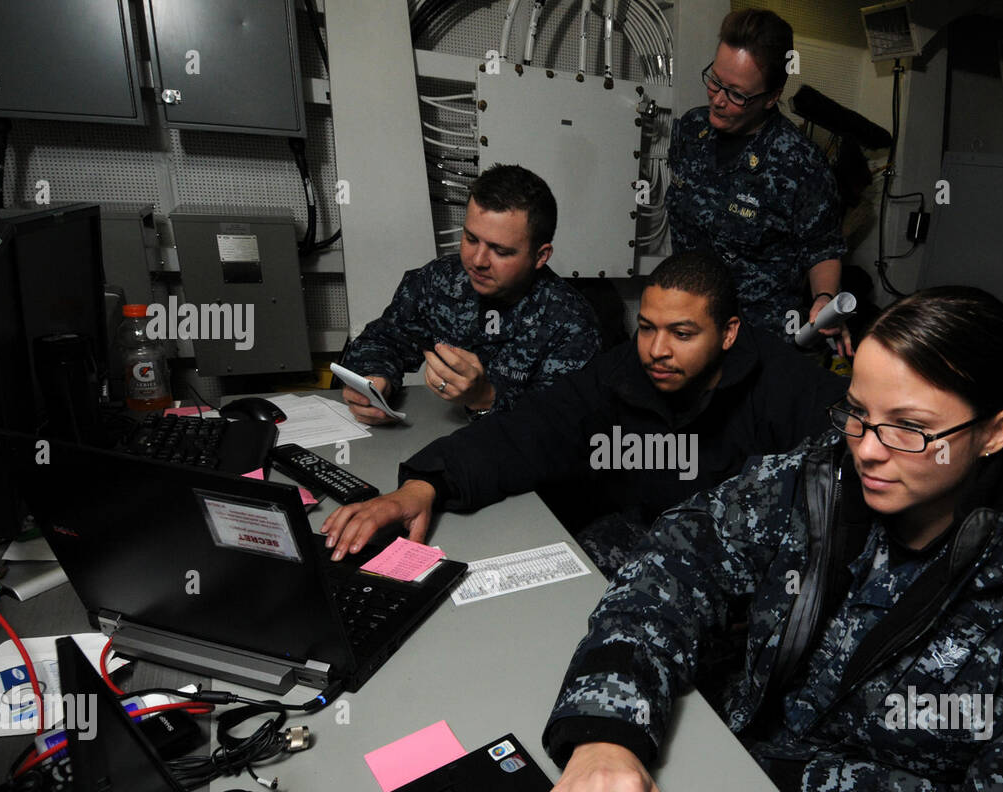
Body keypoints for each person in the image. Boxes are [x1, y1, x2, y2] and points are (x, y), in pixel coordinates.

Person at [498, 286, 1003, 792]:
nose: (868, 450)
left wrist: (779, 781)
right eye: (857, 412)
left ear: (994, 433)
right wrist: (609, 730)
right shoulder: (813, 478)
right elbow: (676, 562)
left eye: (910, 428)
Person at [320, 251, 846, 575]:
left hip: (751, 562)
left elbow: (854, 476)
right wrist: (423, 486)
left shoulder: (786, 385)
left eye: (682, 334)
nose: (657, 350)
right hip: (648, 536)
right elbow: (534, 428)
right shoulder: (624, 371)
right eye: (647, 327)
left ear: (728, 333)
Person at [338, 164, 600, 423]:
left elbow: (562, 425)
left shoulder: (571, 324)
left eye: (500, 251)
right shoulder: (439, 280)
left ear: (540, 256)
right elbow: (382, 340)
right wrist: (374, 381)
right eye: (471, 239)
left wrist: (485, 398)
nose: (478, 260)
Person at [666, 9, 847, 347]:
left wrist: (824, 297)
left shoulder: (800, 164)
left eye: (736, 93)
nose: (718, 100)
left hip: (755, 337)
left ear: (771, 96)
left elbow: (822, 248)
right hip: (685, 318)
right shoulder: (692, 130)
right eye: (715, 81)